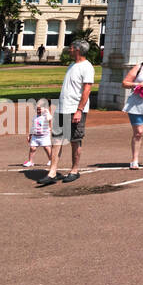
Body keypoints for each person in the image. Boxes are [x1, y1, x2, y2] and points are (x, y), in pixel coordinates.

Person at [38, 41, 94, 186]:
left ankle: (74, 170)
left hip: (75, 110)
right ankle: (52, 172)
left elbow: (87, 90)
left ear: (77, 50)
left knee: (75, 140)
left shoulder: (87, 67)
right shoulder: (72, 65)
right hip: (62, 108)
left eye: (71, 48)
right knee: (57, 140)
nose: (68, 50)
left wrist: (79, 110)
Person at [23, 99, 52, 168]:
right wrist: (29, 135)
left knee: (46, 147)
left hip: (44, 136)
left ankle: (51, 160)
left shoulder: (45, 116)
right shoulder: (35, 117)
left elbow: (49, 118)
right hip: (35, 136)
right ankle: (30, 161)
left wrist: (47, 111)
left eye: (40, 109)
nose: (38, 111)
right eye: (37, 109)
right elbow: (33, 127)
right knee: (32, 148)